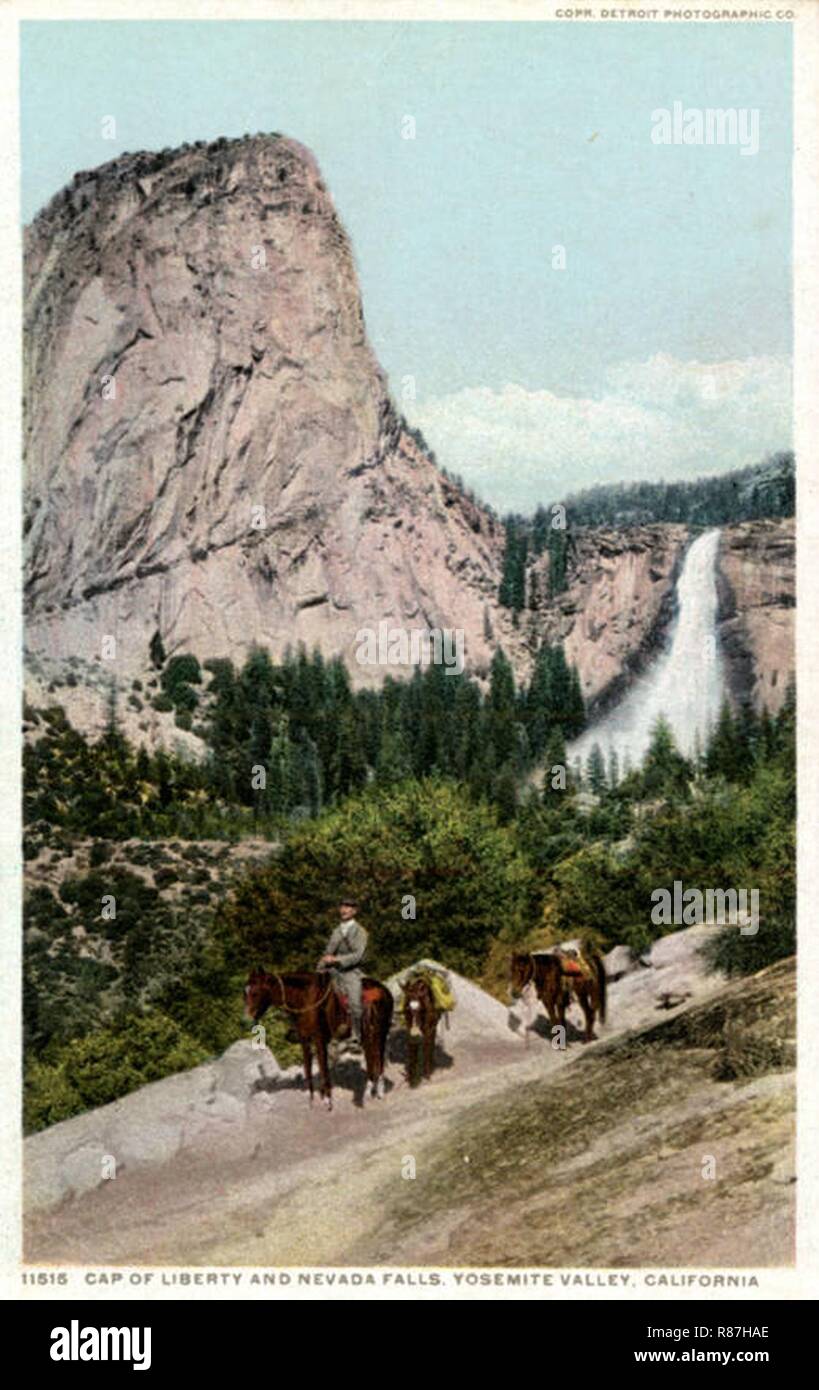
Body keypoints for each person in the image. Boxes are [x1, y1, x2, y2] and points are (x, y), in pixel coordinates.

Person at [318, 896, 368, 1050]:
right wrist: (319, 967)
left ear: (354, 911)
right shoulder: (336, 930)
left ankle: (356, 1037)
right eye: (343, 907)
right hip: (332, 972)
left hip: (351, 971)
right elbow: (327, 952)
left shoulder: (360, 932)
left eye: (349, 907)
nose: (345, 910)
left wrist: (337, 960)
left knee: (355, 1003)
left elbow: (358, 955)